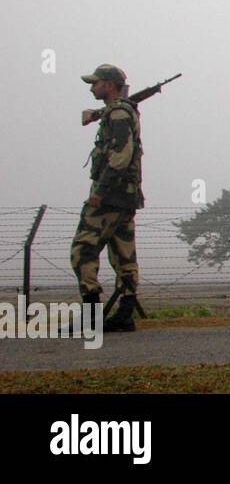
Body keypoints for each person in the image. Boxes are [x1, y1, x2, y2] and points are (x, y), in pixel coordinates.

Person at [71, 64, 145, 332]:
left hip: (110, 197)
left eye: (96, 83)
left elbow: (121, 156)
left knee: (82, 250)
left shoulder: (118, 114)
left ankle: (92, 315)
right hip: (125, 197)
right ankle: (124, 314)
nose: (92, 87)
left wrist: (100, 192)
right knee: (123, 255)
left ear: (110, 85)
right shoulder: (120, 111)